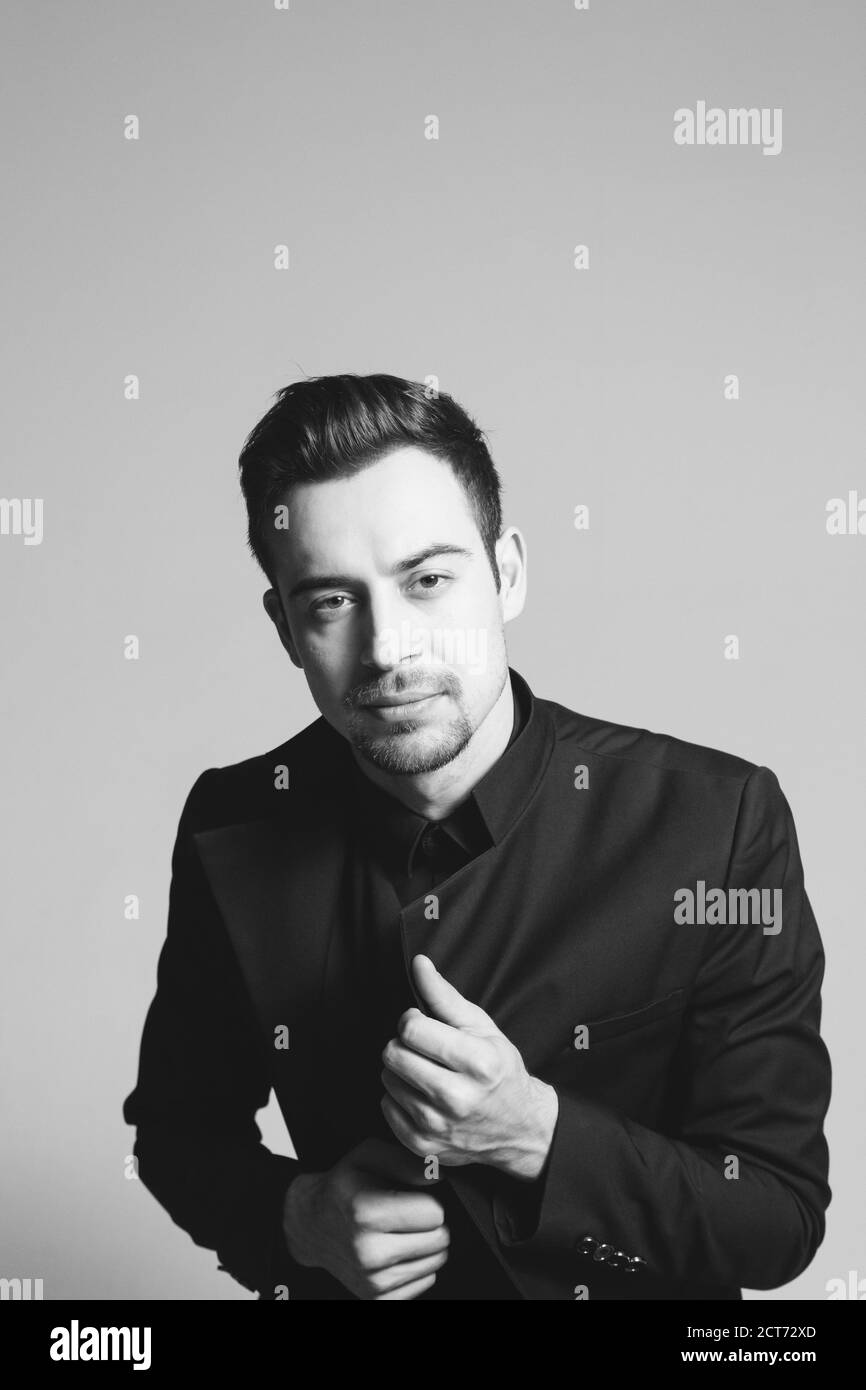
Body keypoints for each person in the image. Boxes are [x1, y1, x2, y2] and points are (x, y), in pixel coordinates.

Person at [123, 374, 831, 1300]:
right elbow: (179, 1134)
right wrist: (297, 1220)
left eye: (427, 580)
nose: (389, 649)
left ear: (506, 573)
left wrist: (537, 1133)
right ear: (285, 628)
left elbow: (776, 1217)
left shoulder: (719, 823)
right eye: (332, 601)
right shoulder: (235, 826)